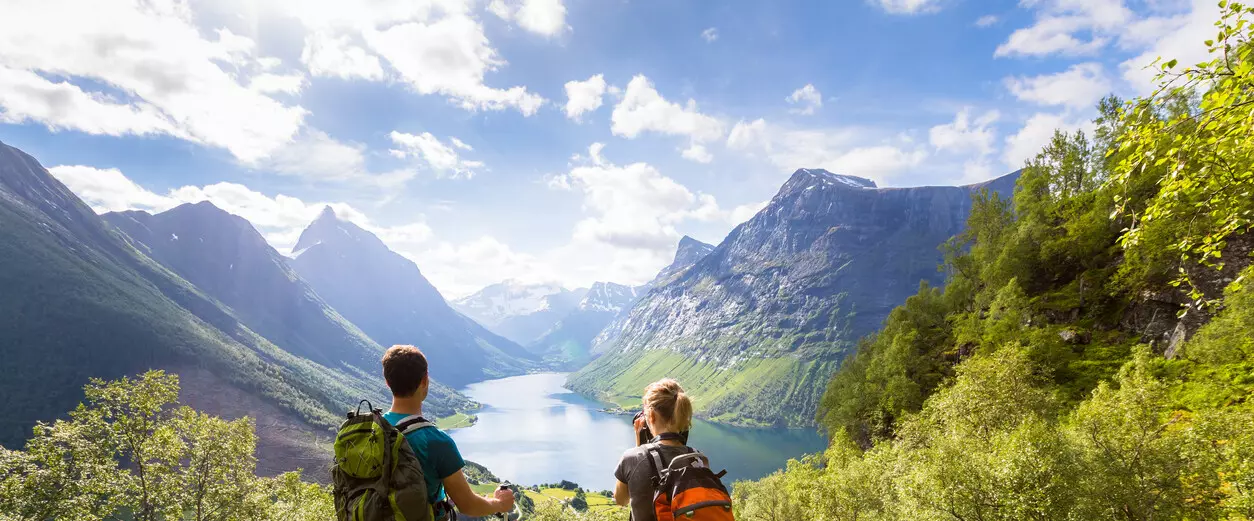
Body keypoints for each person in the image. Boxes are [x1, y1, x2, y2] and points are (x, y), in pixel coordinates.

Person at [381, 345, 514, 519]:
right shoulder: (435, 441)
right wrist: (500, 504)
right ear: (425, 380)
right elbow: (468, 505)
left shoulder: (372, 430)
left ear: (387, 381)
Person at [613, 378, 694, 521]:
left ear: (650, 415)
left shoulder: (632, 458)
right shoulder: (698, 459)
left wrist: (640, 447)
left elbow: (621, 500)